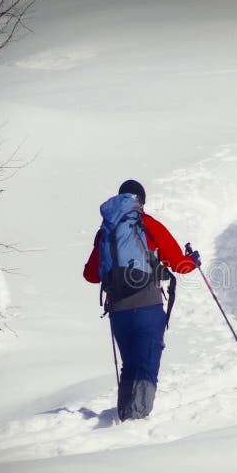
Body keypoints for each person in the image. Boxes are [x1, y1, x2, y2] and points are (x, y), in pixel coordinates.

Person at [83, 179, 200, 420]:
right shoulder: (148, 225)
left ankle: (126, 416)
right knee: (145, 368)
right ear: (141, 201)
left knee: (131, 366)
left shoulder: (106, 230)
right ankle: (135, 425)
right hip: (147, 306)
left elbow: (90, 275)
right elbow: (179, 265)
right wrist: (194, 260)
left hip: (118, 312)